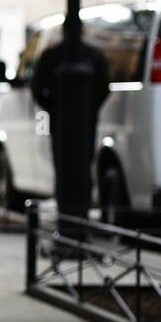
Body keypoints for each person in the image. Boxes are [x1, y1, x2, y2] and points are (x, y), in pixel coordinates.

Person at [31, 24, 112, 221]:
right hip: (82, 122)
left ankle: (67, 213)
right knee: (83, 167)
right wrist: (89, 108)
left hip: (65, 122)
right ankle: (78, 214)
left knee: (64, 168)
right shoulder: (93, 56)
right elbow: (104, 88)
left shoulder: (53, 55)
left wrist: (52, 107)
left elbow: (37, 88)